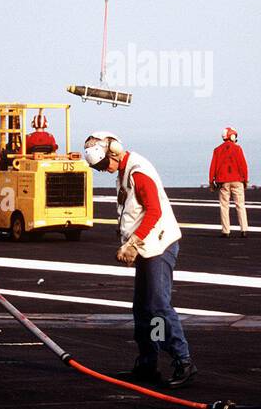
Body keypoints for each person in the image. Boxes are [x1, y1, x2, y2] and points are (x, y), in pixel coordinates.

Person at [84, 131, 196, 387]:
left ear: (113, 152)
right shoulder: (124, 172)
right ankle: (149, 362)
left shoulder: (137, 172)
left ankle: (183, 360)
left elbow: (154, 210)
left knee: (158, 306)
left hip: (158, 246)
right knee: (143, 308)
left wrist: (133, 243)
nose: (102, 170)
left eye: (103, 165)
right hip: (147, 248)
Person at [208, 126, 249, 236]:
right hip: (237, 181)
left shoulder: (217, 150)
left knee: (224, 206)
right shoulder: (238, 149)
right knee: (240, 205)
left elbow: (213, 167)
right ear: (232, 136)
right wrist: (245, 180)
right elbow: (243, 165)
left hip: (223, 182)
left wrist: (211, 182)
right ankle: (244, 229)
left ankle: (226, 231)